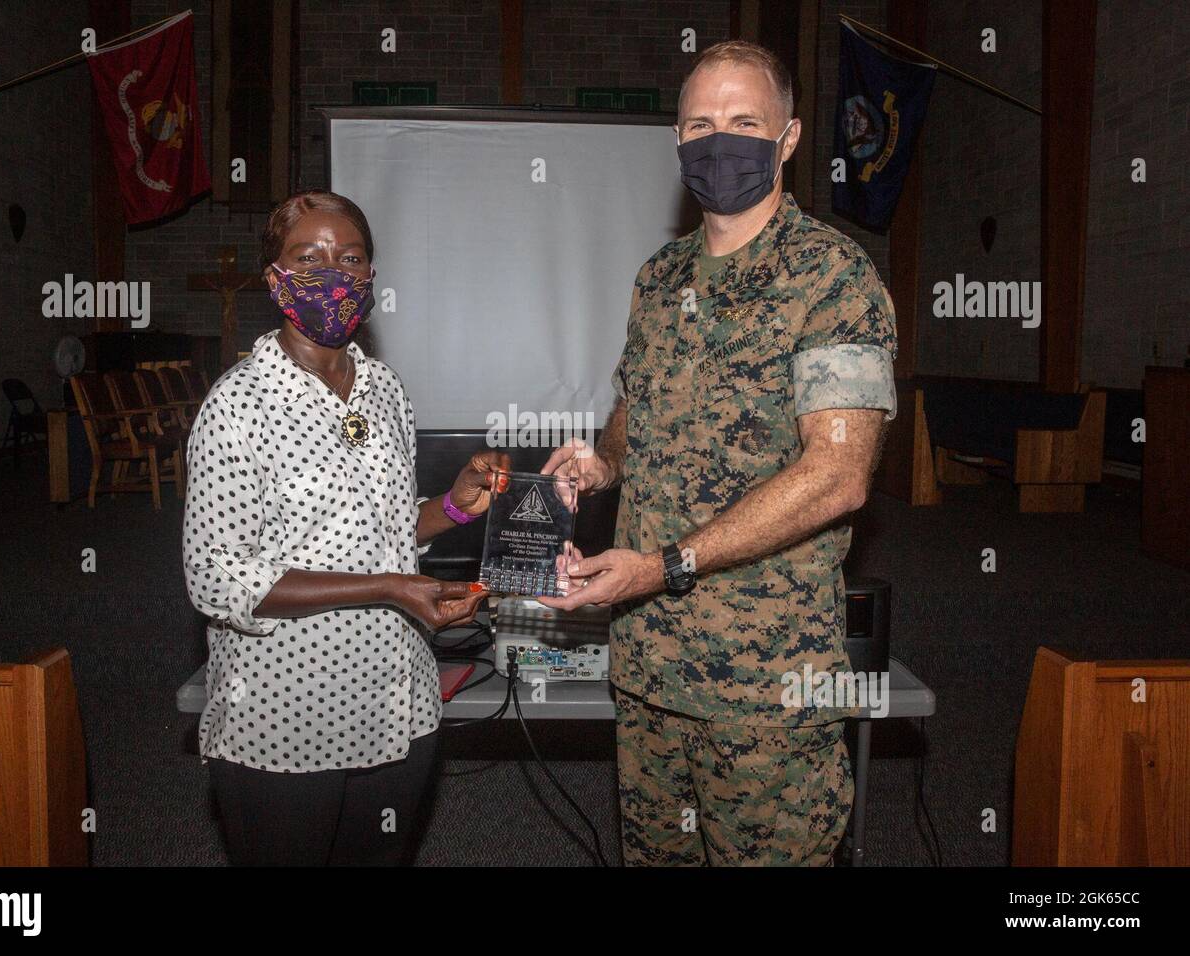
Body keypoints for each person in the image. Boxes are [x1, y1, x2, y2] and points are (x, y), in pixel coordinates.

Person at [541, 40, 897, 866]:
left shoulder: (832, 278)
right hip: (648, 672)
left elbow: (838, 478)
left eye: (745, 122)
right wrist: (604, 464)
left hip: (764, 690)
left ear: (791, 138)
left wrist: (664, 565)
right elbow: (637, 408)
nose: (719, 140)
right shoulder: (659, 279)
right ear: (676, 140)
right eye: (700, 123)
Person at [182, 190, 507, 865]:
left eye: (349, 258)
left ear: (370, 280)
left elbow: (386, 530)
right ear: (276, 280)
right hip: (287, 716)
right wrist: (387, 588)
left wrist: (453, 506)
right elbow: (217, 578)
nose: (332, 271)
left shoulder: (384, 387)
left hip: (398, 706)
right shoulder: (237, 405)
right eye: (310, 257)